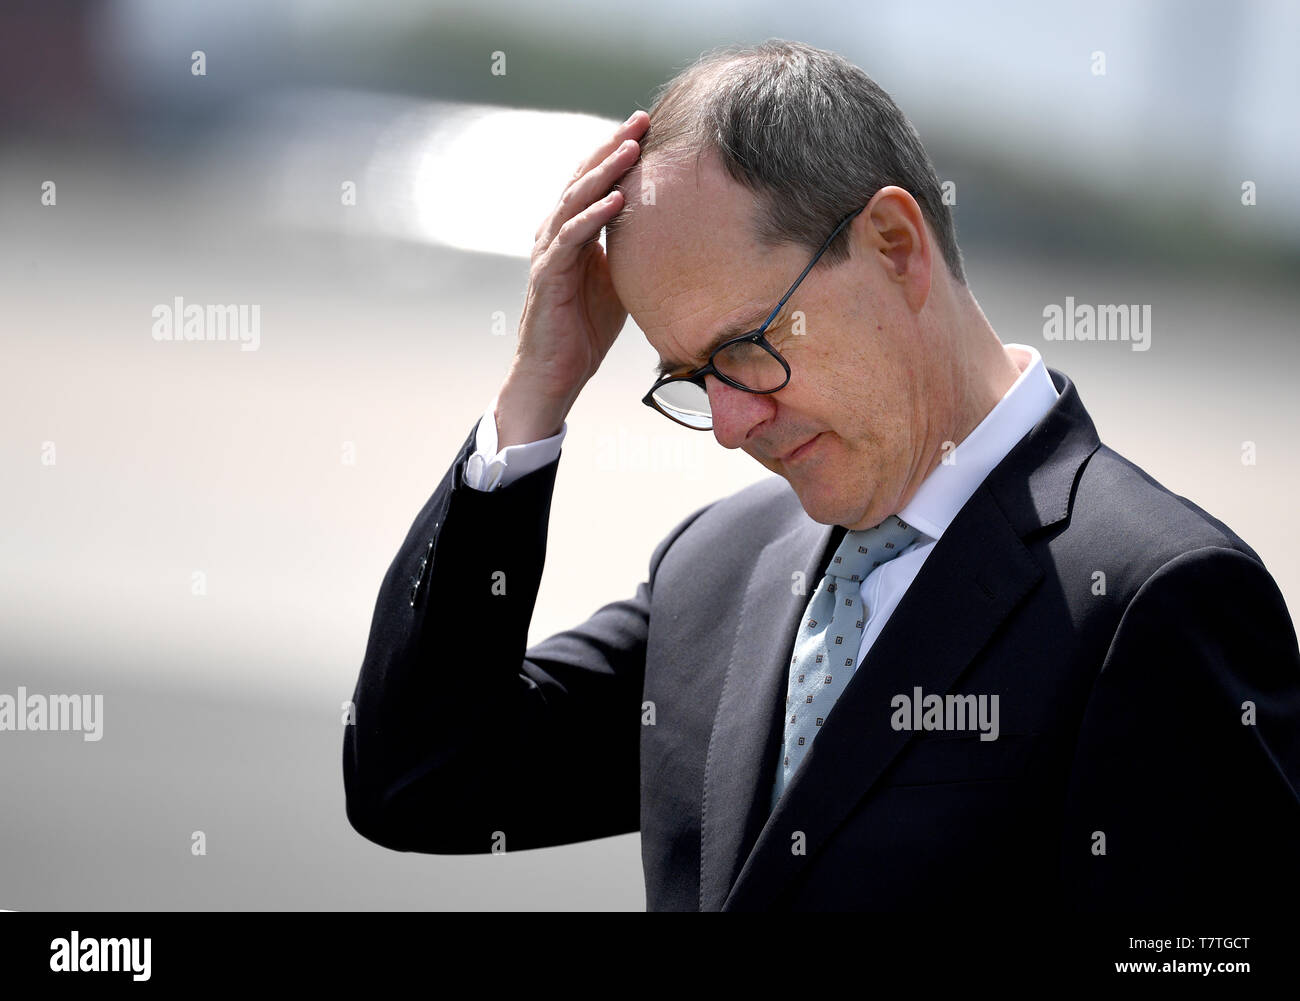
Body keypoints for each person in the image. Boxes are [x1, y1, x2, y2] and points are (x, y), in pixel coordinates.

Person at [343, 40, 1300, 911]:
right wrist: (535, 394)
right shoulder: (719, 564)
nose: (726, 425)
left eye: (749, 350)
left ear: (894, 246)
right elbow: (422, 780)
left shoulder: (1153, 595)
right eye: (690, 377)